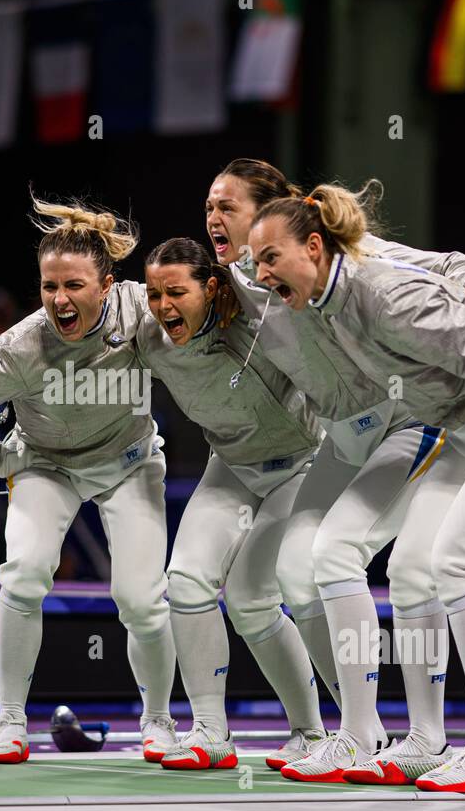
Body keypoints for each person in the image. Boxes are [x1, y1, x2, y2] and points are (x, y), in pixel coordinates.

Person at [248, 186, 465, 793]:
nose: (260, 272)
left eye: (270, 257)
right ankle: (427, 741)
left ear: (312, 245)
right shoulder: (328, 305)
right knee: (411, 565)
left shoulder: (383, 294)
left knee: (458, 562)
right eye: (256, 261)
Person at [202, 159, 465, 771]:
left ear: (267, 216)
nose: (213, 218)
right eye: (208, 207)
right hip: (344, 436)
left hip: (406, 417)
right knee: (293, 567)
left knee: (363, 558)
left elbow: (437, 263)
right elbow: (160, 291)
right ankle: (357, 725)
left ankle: (382, 733)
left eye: (226, 207)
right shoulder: (228, 285)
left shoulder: (331, 253)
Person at [0, 194, 177, 765]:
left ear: (106, 285)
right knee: (26, 575)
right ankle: (9, 721)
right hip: (46, 465)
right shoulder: (19, 348)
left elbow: (206, 304)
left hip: (130, 462)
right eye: (49, 286)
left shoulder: (141, 309)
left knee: (140, 599)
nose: (59, 299)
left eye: (74, 286)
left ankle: (158, 720)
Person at [135, 237, 324, 770]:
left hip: (304, 461)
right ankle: (210, 732)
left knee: (250, 597)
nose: (163, 306)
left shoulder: (259, 315)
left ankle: (314, 732)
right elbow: (85, 320)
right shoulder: (148, 333)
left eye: (176, 292)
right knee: (186, 579)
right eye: (153, 293)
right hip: (232, 466)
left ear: (211, 287)